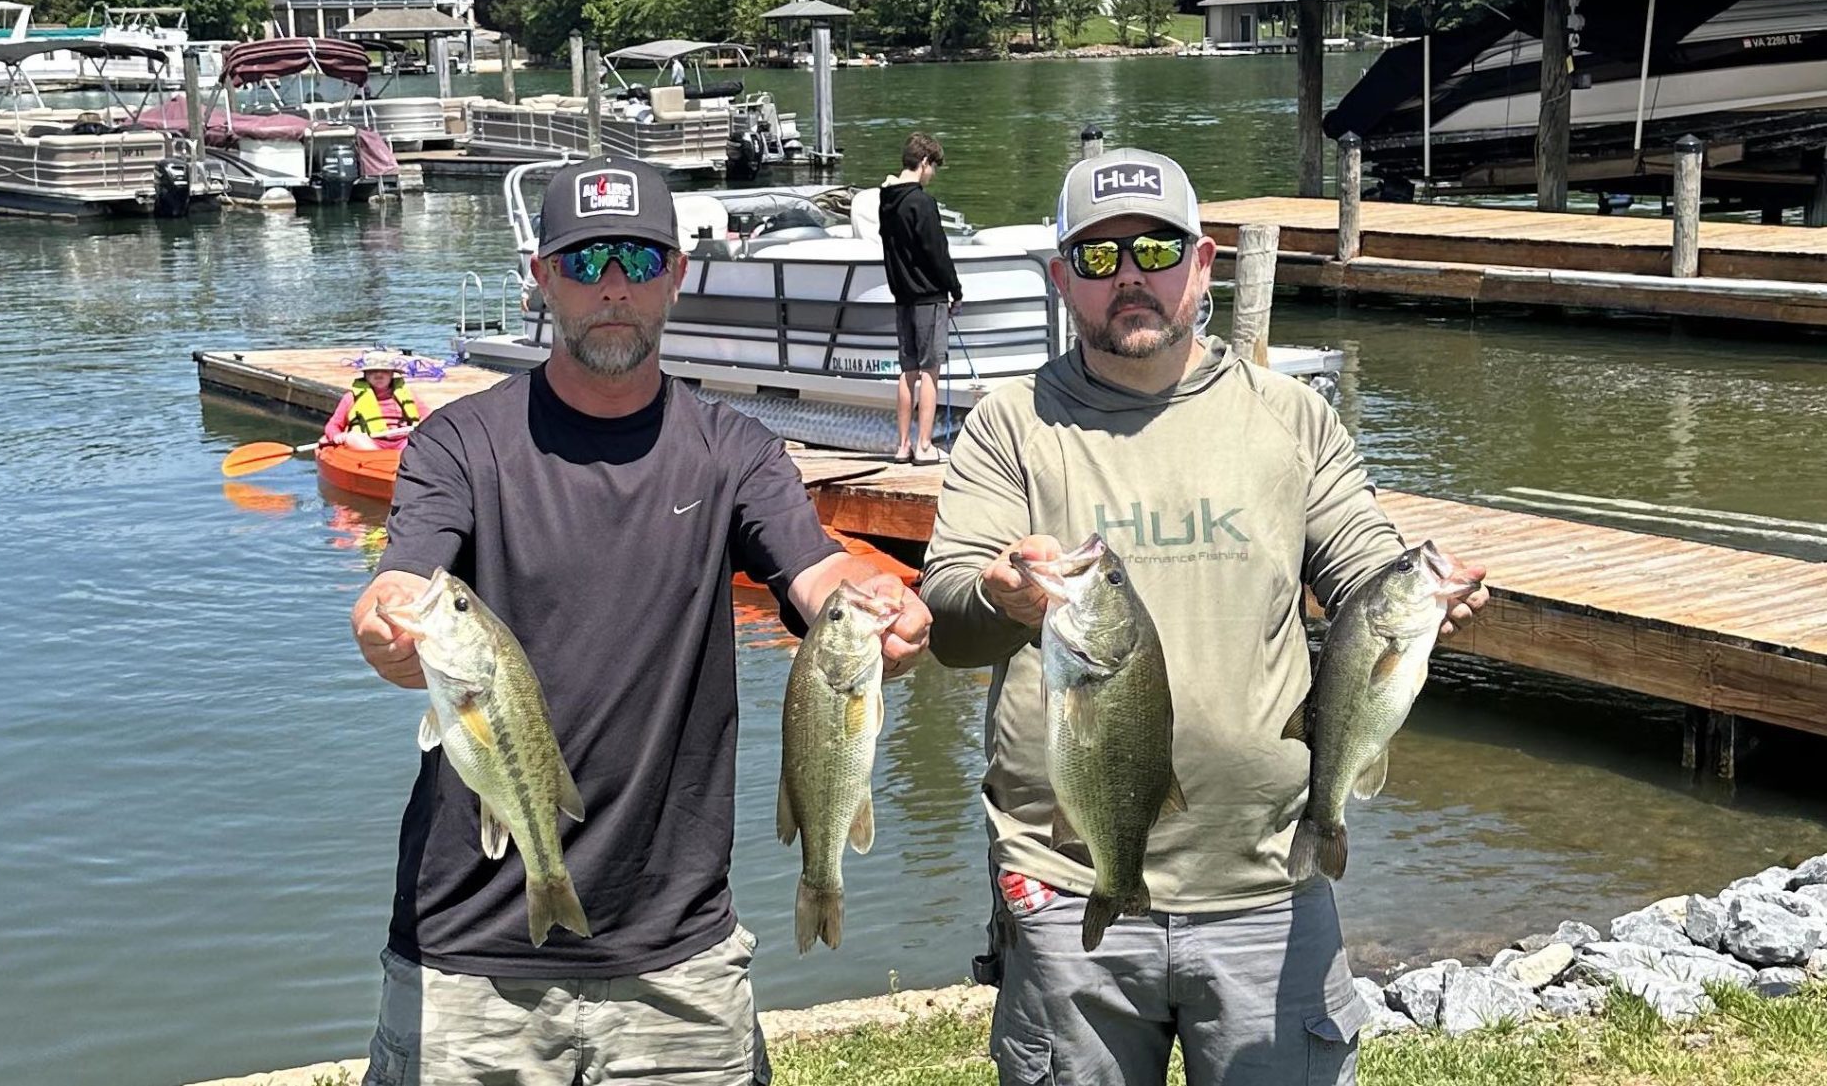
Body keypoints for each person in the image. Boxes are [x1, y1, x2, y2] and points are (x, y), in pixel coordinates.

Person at [349, 156, 932, 1086]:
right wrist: (384, 624)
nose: (611, 288)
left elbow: (815, 567)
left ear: (677, 273)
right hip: (468, 954)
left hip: (678, 953)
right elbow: (402, 587)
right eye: (584, 265)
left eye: (636, 260)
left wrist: (875, 602)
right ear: (541, 278)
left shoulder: (733, 449)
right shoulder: (460, 444)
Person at [920, 147, 1489, 1086]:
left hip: (1270, 873)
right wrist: (998, 593)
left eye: (1155, 248)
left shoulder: (1292, 417)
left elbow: (1358, 566)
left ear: (1204, 262)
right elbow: (949, 615)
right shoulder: (1011, 422)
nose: (1130, 276)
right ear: (1063, 278)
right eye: (1099, 259)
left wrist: (1417, 604)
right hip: (1068, 887)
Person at [878, 131, 963, 465]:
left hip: (902, 297)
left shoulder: (886, 202)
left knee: (907, 370)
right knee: (930, 370)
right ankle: (925, 445)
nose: (933, 175)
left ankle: (902, 445)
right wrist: (955, 288)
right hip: (929, 297)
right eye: (933, 167)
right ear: (924, 162)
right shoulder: (921, 202)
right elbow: (936, 252)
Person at [323, 349, 425, 451]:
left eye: (384, 371)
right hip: (370, 443)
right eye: (373, 371)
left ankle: (398, 459)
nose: (378, 375)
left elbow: (427, 416)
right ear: (365, 375)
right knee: (352, 438)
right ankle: (382, 460)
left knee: (423, 439)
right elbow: (333, 425)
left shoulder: (407, 394)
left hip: (402, 441)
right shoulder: (351, 398)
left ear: (391, 374)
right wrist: (336, 435)